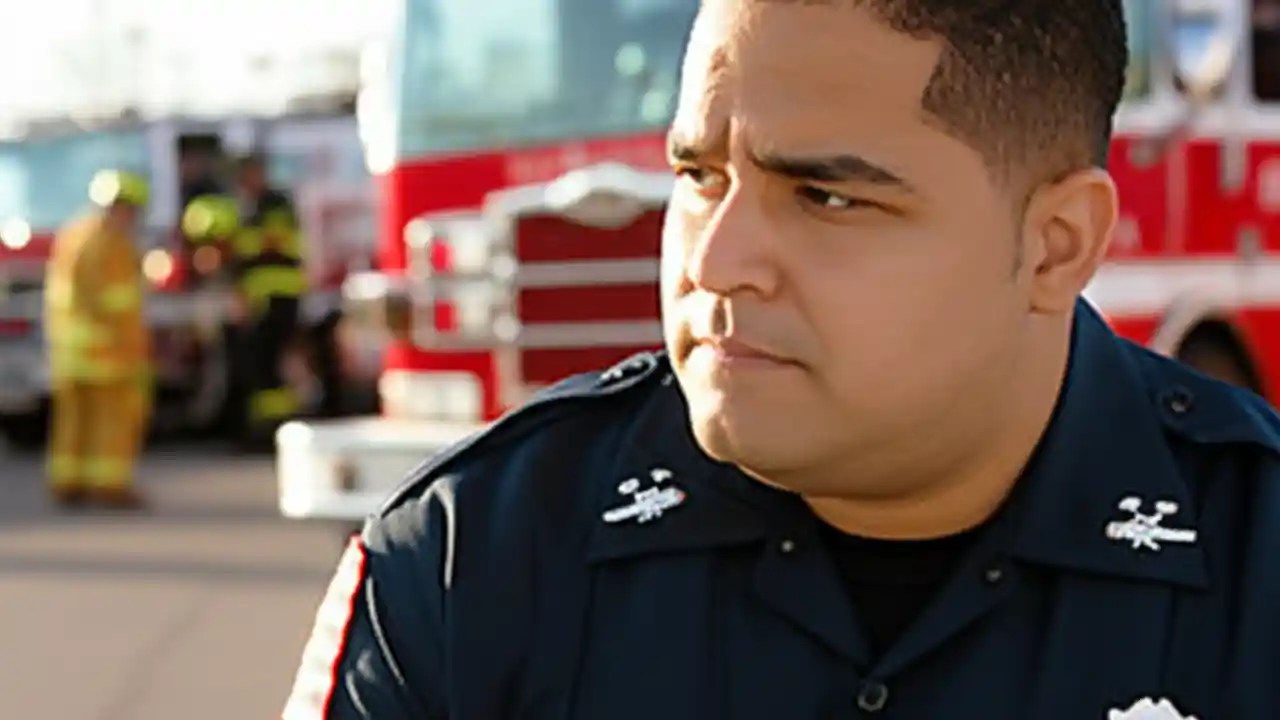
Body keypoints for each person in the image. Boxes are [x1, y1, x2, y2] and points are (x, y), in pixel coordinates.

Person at [285, 2, 1280, 718]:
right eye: (697, 176)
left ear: (1055, 246)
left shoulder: (1256, 567)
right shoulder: (467, 562)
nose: (713, 263)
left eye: (825, 197)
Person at [44, 169, 152, 510]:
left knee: (74, 420)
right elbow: (109, 300)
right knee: (112, 419)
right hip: (106, 351)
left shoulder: (75, 234)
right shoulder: (109, 243)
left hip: (71, 349)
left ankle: (68, 482)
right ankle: (109, 485)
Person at [183, 152, 307, 444]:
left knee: (268, 366)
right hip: (259, 297)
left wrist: (232, 244)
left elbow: (272, 241)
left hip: (280, 295)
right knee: (258, 364)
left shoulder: (275, 204)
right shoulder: (248, 206)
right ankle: (261, 427)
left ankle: (273, 428)